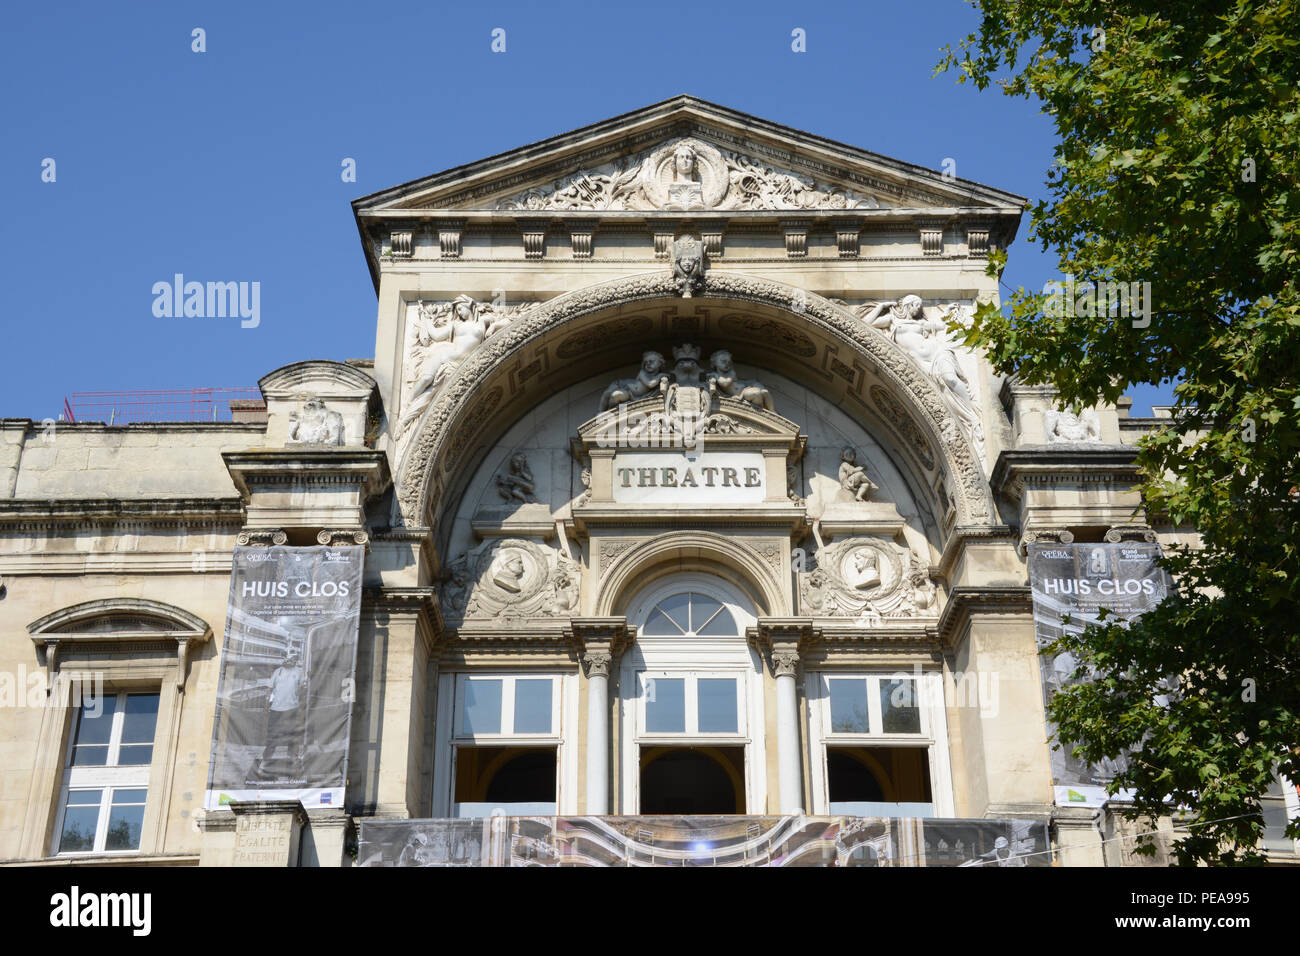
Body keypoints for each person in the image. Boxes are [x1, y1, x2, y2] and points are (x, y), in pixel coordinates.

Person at [252, 648, 305, 780]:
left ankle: (293, 769)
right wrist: (266, 705)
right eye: (286, 658)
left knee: (292, 740)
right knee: (272, 739)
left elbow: (303, 689)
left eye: (292, 658)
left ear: (295, 660)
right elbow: (269, 688)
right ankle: (265, 766)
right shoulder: (278, 672)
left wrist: (301, 705)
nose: (288, 660)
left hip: (292, 710)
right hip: (276, 710)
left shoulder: (299, 672)